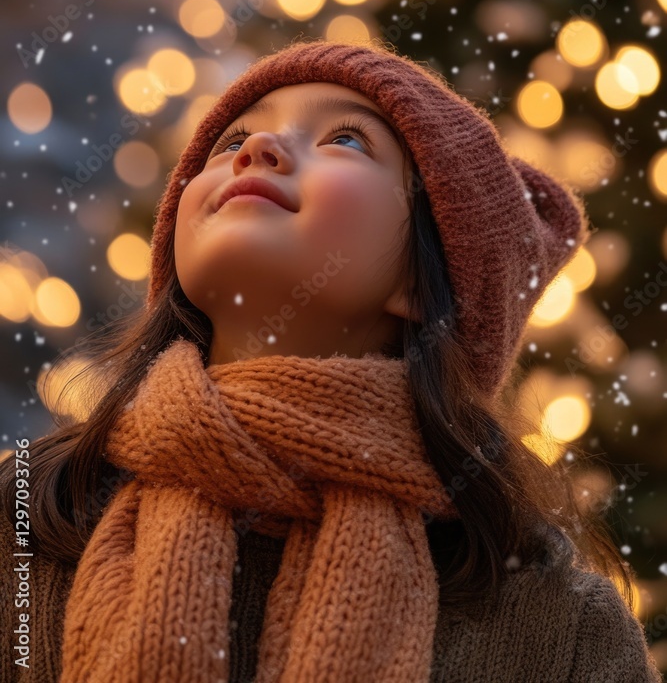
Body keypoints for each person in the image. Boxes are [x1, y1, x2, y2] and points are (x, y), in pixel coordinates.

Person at [0, 37, 662, 683]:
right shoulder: (28, 522)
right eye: (231, 141)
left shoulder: (559, 627)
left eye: (345, 139)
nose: (256, 149)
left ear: (427, 280)